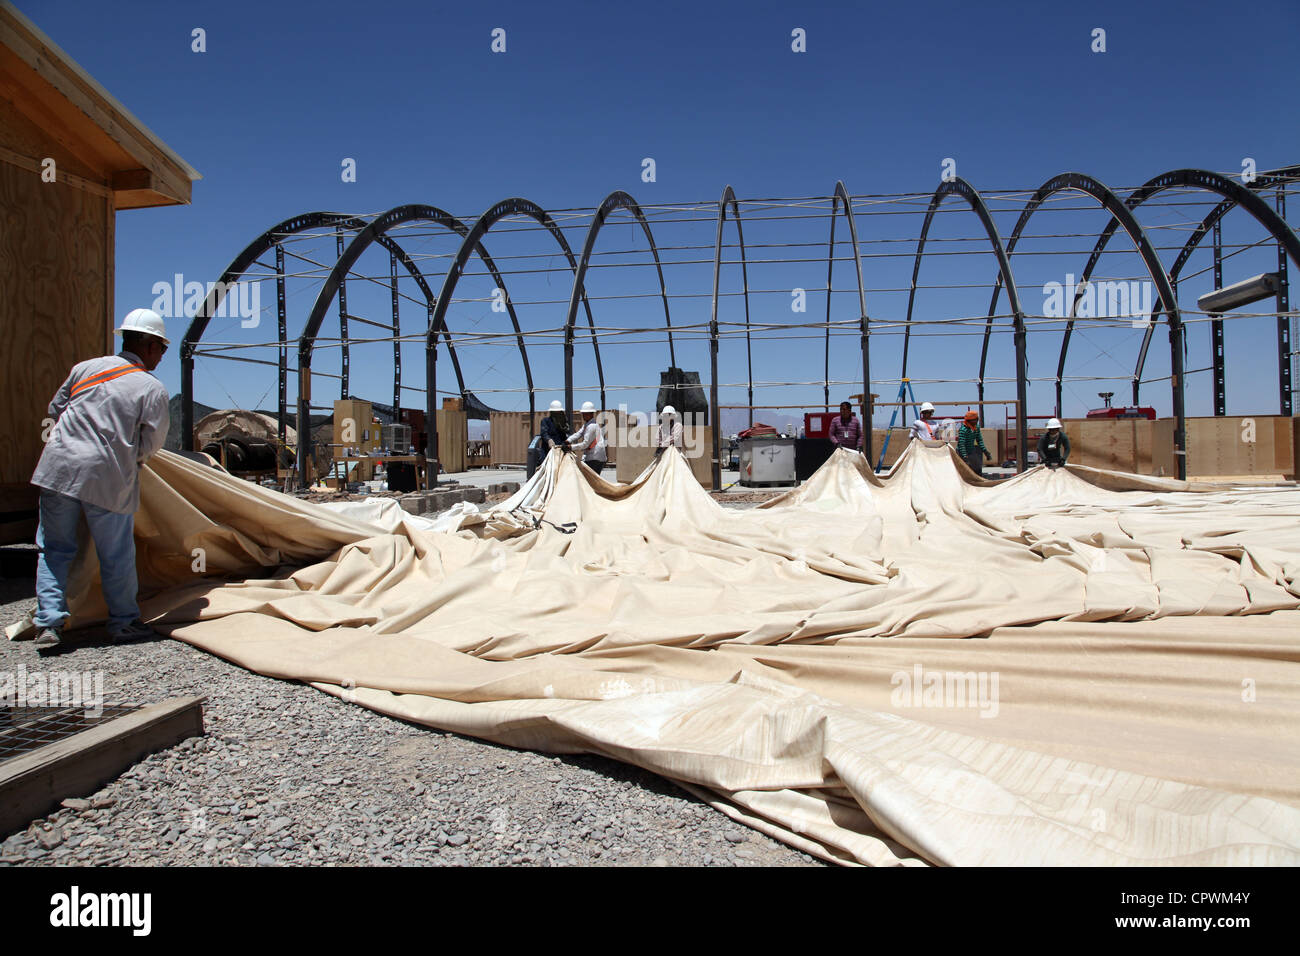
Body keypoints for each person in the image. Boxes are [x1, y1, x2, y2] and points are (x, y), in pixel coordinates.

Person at [30, 309, 171, 649]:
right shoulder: (150, 388)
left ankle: (48, 623)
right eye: (162, 349)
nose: (162, 356)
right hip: (108, 477)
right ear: (150, 345)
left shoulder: (85, 369)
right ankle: (122, 622)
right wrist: (127, 453)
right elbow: (152, 443)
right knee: (116, 553)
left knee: (54, 549)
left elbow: (56, 408)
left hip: (57, 469)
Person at [567, 401, 607, 475]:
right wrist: (568, 440)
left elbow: (585, 444)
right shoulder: (588, 424)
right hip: (596, 457)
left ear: (591, 414)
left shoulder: (591, 426)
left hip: (594, 458)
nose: (583, 416)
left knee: (590, 480)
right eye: (583, 414)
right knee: (592, 480)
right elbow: (579, 433)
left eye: (585, 414)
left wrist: (571, 447)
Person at [956, 409, 991, 477]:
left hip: (971, 451)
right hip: (962, 453)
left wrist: (985, 451)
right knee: (964, 471)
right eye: (975, 419)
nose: (976, 421)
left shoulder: (976, 428)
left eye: (977, 419)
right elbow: (961, 444)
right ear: (969, 420)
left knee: (977, 468)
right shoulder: (963, 429)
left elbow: (979, 440)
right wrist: (965, 457)